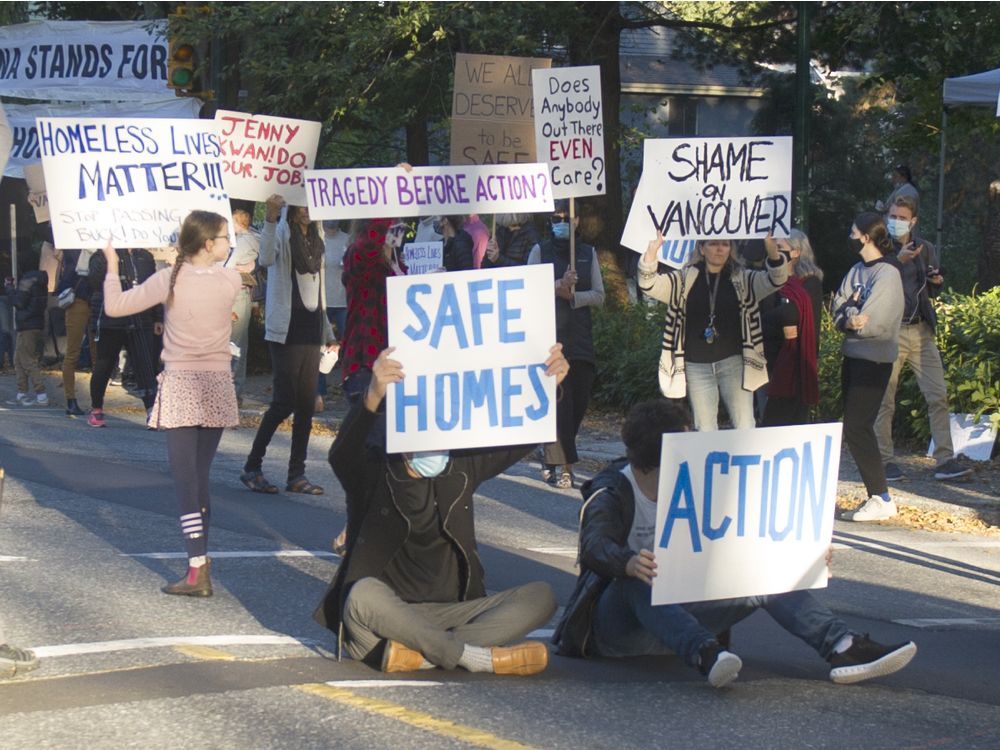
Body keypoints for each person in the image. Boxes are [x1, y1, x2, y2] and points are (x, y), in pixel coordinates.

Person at [552, 398, 918, 687]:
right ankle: (706, 656)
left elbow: (748, 536)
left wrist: (803, 553)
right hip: (618, 631)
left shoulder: (701, 483)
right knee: (639, 577)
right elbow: (594, 546)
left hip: (682, 617)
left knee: (761, 571)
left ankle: (843, 647)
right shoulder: (611, 491)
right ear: (664, 456)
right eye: (686, 439)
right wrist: (628, 562)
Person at [314, 344, 569, 674]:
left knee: (542, 595)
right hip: (388, 615)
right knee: (362, 595)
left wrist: (550, 385)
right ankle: (476, 657)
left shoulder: (460, 466)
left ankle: (424, 654)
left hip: (451, 614)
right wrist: (373, 395)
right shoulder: (373, 473)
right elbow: (342, 454)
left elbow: (523, 432)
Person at [102, 211, 242, 596]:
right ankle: (201, 561)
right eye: (224, 237)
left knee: (185, 480)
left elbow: (115, 306)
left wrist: (113, 265)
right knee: (199, 477)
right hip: (216, 383)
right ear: (208, 244)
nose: (229, 242)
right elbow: (228, 267)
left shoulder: (170, 279)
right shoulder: (230, 280)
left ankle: (197, 567)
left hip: (182, 382)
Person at [637, 233, 789, 431]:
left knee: (745, 424)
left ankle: (741, 462)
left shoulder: (742, 278)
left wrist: (772, 251)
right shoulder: (683, 280)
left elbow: (776, 280)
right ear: (701, 248)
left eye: (725, 244)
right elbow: (648, 284)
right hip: (696, 364)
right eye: (714, 244)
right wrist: (652, 251)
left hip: (733, 362)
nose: (720, 249)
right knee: (705, 427)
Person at [241, 195, 339, 496]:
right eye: (303, 204)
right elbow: (267, 258)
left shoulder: (318, 237)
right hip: (286, 329)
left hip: (310, 328)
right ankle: (252, 468)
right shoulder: (282, 232)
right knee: (284, 402)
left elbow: (318, 288)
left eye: (313, 204)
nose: (308, 210)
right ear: (293, 209)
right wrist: (270, 218)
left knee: (307, 405)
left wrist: (327, 332)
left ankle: (297, 474)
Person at [874, 196, 972, 483]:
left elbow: (930, 291)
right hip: (891, 332)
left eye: (901, 217)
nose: (895, 221)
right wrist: (897, 260)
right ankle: (883, 460)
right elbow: (874, 279)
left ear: (913, 221)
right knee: (885, 400)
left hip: (921, 331)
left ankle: (944, 459)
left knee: (938, 395)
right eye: (892, 215)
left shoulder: (925, 248)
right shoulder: (881, 247)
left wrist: (936, 282)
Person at [832, 213, 904, 522]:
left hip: (874, 359)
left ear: (864, 237)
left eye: (852, 230)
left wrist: (850, 316)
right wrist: (849, 317)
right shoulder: (856, 269)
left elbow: (873, 323)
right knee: (854, 425)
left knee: (858, 426)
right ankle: (877, 495)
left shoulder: (887, 273)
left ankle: (881, 496)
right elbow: (839, 308)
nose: (849, 235)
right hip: (853, 356)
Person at [528, 200, 605, 489]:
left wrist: (574, 296)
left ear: (575, 221)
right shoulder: (540, 251)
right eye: (555, 217)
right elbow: (526, 291)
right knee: (561, 402)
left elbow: (599, 295)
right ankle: (566, 468)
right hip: (550, 340)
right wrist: (556, 286)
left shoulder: (588, 253)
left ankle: (551, 456)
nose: (560, 221)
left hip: (581, 339)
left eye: (565, 217)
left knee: (579, 404)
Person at [87, 247, 161, 427]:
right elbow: (95, 282)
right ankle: (96, 408)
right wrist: (108, 259)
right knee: (104, 365)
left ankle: (152, 410)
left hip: (140, 318)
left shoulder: (145, 256)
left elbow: (154, 288)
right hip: (111, 320)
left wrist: (158, 317)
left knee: (145, 365)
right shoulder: (101, 255)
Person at [759, 230, 824, 426]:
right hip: (766, 358)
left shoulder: (809, 282)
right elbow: (763, 316)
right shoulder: (766, 279)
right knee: (767, 418)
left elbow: (792, 314)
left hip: (794, 363)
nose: (774, 252)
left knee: (784, 421)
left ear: (796, 252)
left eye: (779, 248)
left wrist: (778, 316)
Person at [55, 249, 98, 416]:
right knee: (73, 352)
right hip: (79, 300)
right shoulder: (73, 248)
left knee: (97, 354)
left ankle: (95, 402)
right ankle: (71, 400)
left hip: (94, 299)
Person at [226, 201, 260, 405]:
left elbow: (227, 264)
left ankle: (232, 389)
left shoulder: (244, 241)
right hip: (241, 293)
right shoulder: (254, 238)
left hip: (236, 294)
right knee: (238, 342)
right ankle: (233, 388)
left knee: (234, 343)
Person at [316, 219, 350, 412]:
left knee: (349, 351)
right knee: (320, 350)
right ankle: (318, 393)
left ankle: (350, 392)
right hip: (322, 302)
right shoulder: (317, 239)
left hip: (344, 302)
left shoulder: (347, 240)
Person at [6, 268, 49, 407]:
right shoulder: (40, 282)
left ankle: (41, 394)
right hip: (35, 324)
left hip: (26, 326)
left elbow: (18, 302)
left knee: (27, 361)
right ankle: (21, 393)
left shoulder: (27, 282)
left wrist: (9, 288)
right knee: (18, 359)